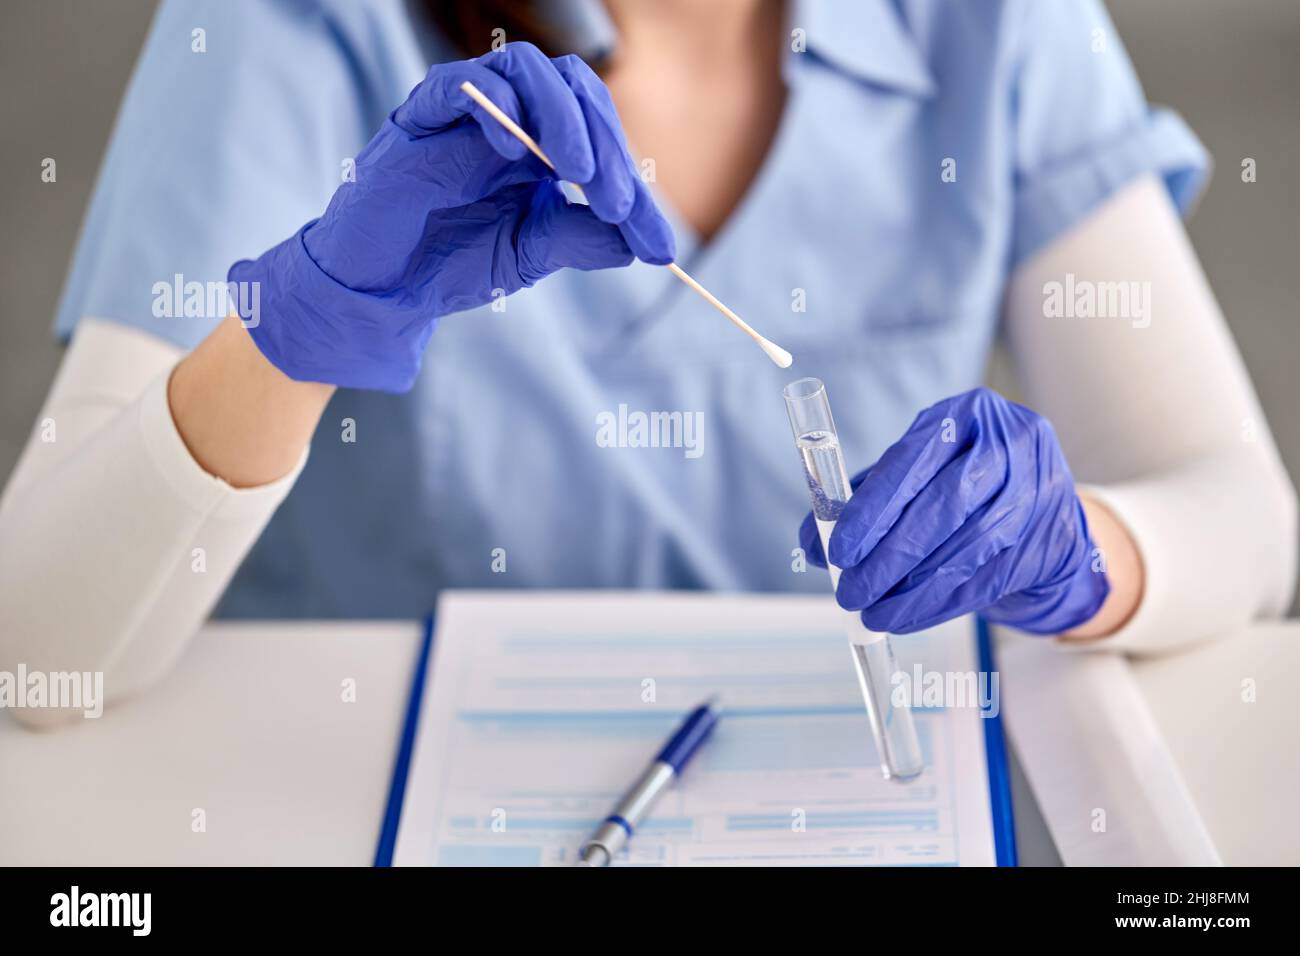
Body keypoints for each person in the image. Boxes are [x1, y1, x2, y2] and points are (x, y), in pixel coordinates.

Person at [1, 0, 1294, 725]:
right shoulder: (295, 25)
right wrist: (302, 330)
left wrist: (1082, 556)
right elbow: (33, 656)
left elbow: (1239, 513)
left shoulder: (991, 27)